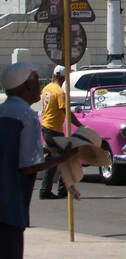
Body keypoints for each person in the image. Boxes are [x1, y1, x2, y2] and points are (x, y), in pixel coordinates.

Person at [0, 64, 74, 259]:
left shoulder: (2, 113)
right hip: (9, 207)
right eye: (33, 82)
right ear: (24, 88)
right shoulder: (26, 118)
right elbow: (28, 165)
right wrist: (61, 159)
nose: (37, 86)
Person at [39, 65, 81, 200]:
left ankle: (51, 190)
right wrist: (80, 126)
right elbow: (66, 112)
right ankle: (55, 190)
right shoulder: (59, 93)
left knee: (55, 159)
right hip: (53, 130)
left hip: (47, 127)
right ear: (63, 77)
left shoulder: (47, 88)